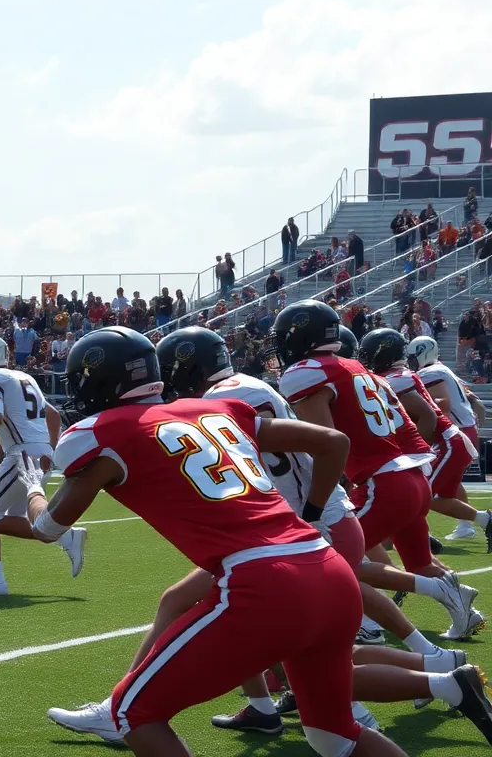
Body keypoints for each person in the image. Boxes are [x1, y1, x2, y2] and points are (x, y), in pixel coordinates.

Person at [33, 326, 407, 757]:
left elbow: (48, 528)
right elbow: (332, 442)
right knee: (334, 735)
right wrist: (312, 512)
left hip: (262, 582)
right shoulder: (222, 408)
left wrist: (31, 489)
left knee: (131, 715)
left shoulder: (104, 432)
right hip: (328, 568)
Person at [276, 301, 483, 640]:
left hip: (386, 483)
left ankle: (367, 627)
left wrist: (313, 508)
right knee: (420, 563)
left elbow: (326, 442)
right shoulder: (356, 367)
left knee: (335, 558)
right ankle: (466, 612)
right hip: (412, 477)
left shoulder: (307, 373)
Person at [0, 332, 85, 596]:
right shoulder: (25, 377)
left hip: (22, 455)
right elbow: (54, 415)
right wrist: (50, 448)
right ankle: (67, 537)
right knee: (12, 520)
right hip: (40, 452)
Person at [407, 335, 490, 543]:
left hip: (453, 434)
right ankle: (466, 526)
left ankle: (418, 534)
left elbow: (441, 404)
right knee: (449, 487)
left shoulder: (431, 372)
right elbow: (473, 399)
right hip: (464, 430)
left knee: (423, 491)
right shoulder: (442, 369)